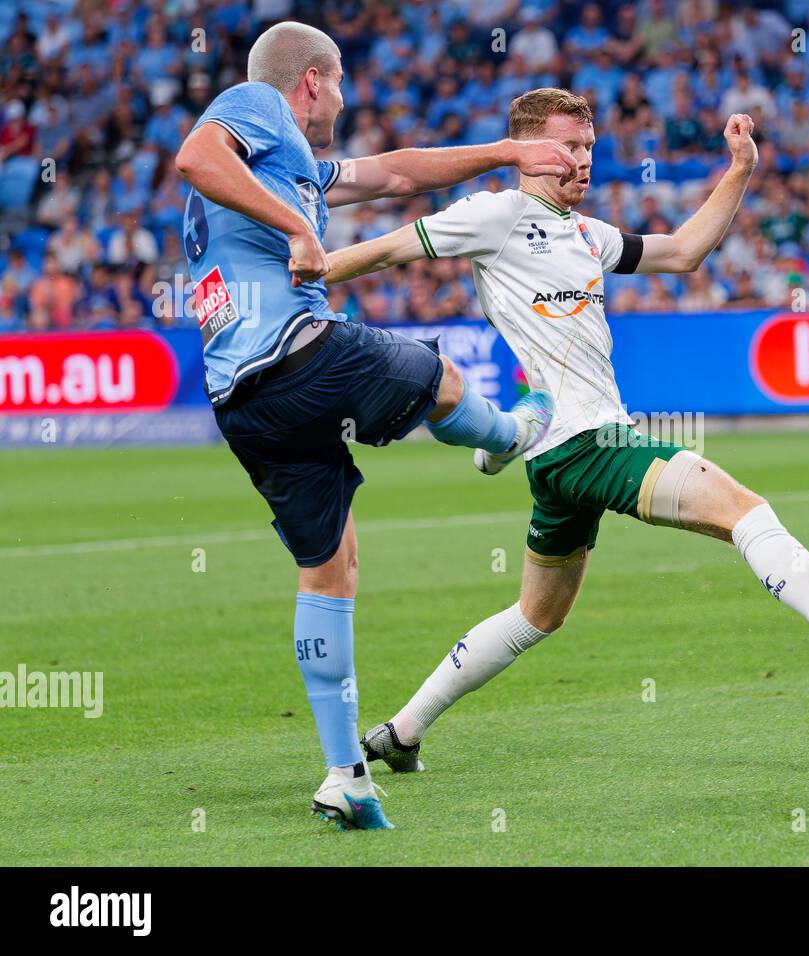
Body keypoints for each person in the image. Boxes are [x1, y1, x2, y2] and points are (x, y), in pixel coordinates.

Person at [322, 88, 809, 774]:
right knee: (744, 509)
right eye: (568, 146)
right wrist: (305, 276)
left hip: (559, 453)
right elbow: (382, 251)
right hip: (589, 443)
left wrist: (738, 169)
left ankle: (404, 730)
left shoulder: (587, 234)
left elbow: (682, 252)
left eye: (589, 147)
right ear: (529, 148)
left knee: (538, 615)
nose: (583, 160)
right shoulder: (495, 215)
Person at [173, 22, 580, 830]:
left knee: (332, 569)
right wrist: (297, 229)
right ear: (314, 81)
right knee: (441, 377)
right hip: (296, 351)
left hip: (243, 404)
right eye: (343, 81)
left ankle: (344, 777)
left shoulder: (293, 165)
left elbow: (395, 173)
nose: (349, 97)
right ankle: (512, 437)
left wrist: (506, 152)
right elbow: (193, 157)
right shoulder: (254, 105)